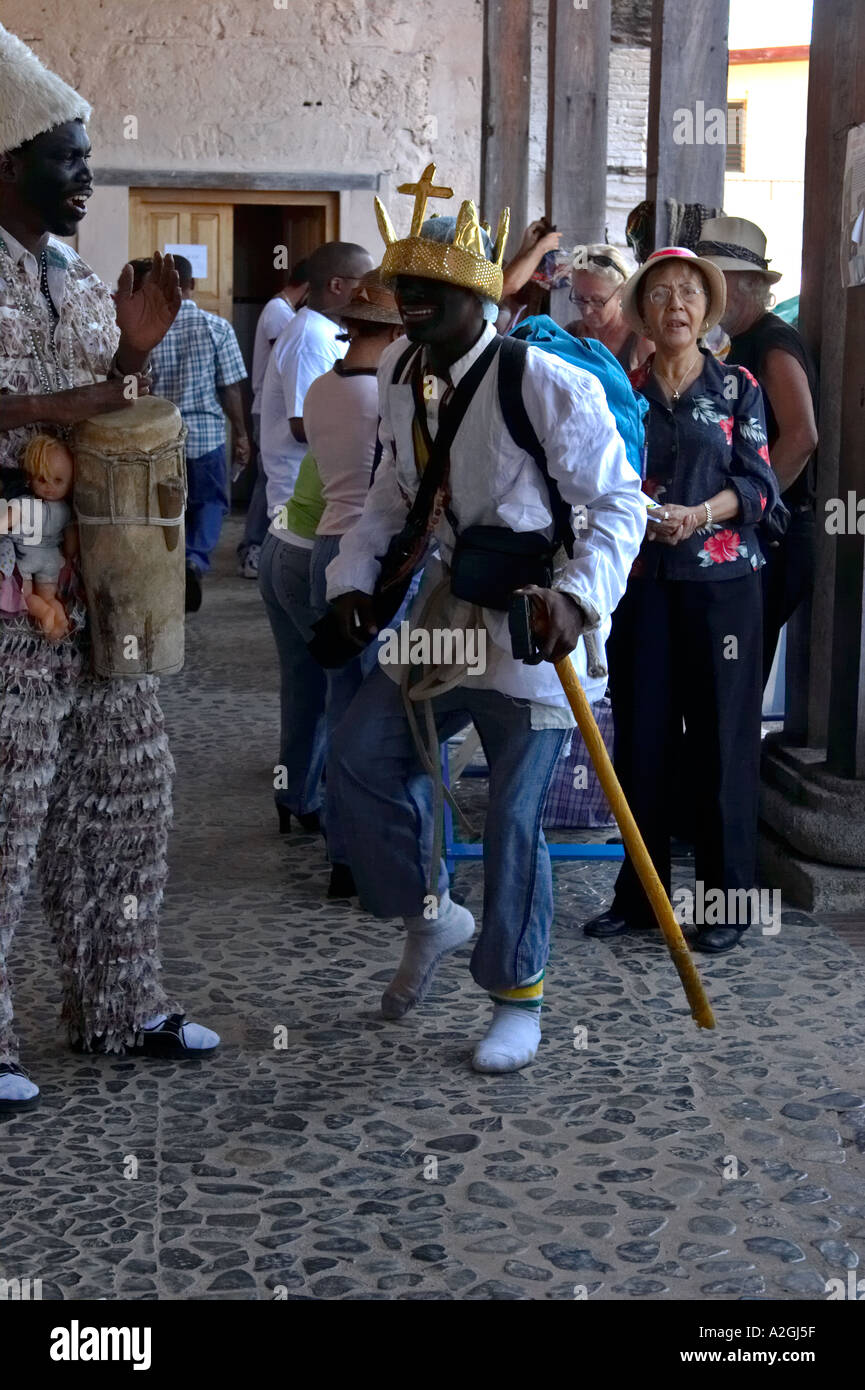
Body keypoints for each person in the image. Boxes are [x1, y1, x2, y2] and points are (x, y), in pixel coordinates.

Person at [324, 167, 645, 1073]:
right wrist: (353, 582)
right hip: (446, 612)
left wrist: (575, 599)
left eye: (431, 289)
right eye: (404, 288)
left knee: (512, 817)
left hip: (534, 626)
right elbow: (391, 495)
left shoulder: (542, 379)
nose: (411, 303)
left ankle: (517, 993)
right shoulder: (397, 371)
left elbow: (619, 503)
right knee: (361, 756)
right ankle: (434, 914)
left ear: (479, 296)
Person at [0, 22, 218, 1112]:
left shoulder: (76, 278)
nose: (88, 173)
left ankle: (119, 1006)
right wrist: (62, 406)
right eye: (67, 155)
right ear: (7, 160)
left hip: (97, 587)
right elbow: (53, 416)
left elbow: (110, 409)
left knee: (126, 800)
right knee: (4, 814)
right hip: (6, 587)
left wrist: (131, 353)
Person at [582, 247, 781, 955]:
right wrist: (637, 508)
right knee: (641, 740)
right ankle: (640, 897)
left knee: (724, 743)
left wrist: (698, 513)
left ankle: (728, 903)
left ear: (706, 310)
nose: (675, 305)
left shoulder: (736, 388)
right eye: (661, 293)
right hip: (640, 586)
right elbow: (597, 479)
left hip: (724, 589)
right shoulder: (619, 391)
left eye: (689, 294)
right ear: (640, 310)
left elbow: (758, 486)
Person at [258, 240, 373, 835]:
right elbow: (304, 423)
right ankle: (341, 823)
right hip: (307, 538)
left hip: (292, 535)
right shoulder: (326, 351)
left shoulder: (340, 369)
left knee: (306, 681)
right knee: (343, 690)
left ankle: (297, 794)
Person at [305, 270, 405, 897]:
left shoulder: (320, 388)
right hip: (367, 562)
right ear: (395, 332)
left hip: (324, 548)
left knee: (343, 708)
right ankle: (379, 856)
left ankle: (344, 853)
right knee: (380, 717)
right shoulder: (383, 398)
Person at [697, 217, 819, 687]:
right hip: (761, 531)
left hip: (778, 535)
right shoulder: (742, 341)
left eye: (718, 279)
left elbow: (803, 435)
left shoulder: (770, 341)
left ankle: (737, 761)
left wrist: (757, 504)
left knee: (738, 676)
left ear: (749, 283)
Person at [147, 253, 249, 612]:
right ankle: (195, 560)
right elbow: (231, 388)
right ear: (192, 285)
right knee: (209, 501)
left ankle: (168, 566)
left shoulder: (148, 331)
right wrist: (241, 433)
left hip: (161, 437)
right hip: (205, 434)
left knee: (168, 505)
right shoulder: (216, 326)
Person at [238, 258, 310, 580]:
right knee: (266, 481)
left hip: (271, 409)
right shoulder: (279, 312)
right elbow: (290, 358)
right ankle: (254, 548)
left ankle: (261, 546)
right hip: (268, 411)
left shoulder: (282, 310)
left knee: (267, 480)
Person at [565, 244, 652, 372]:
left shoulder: (641, 339)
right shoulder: (571, 335)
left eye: (598, 301)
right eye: (580, 298)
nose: (587, 311)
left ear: (622, 292)